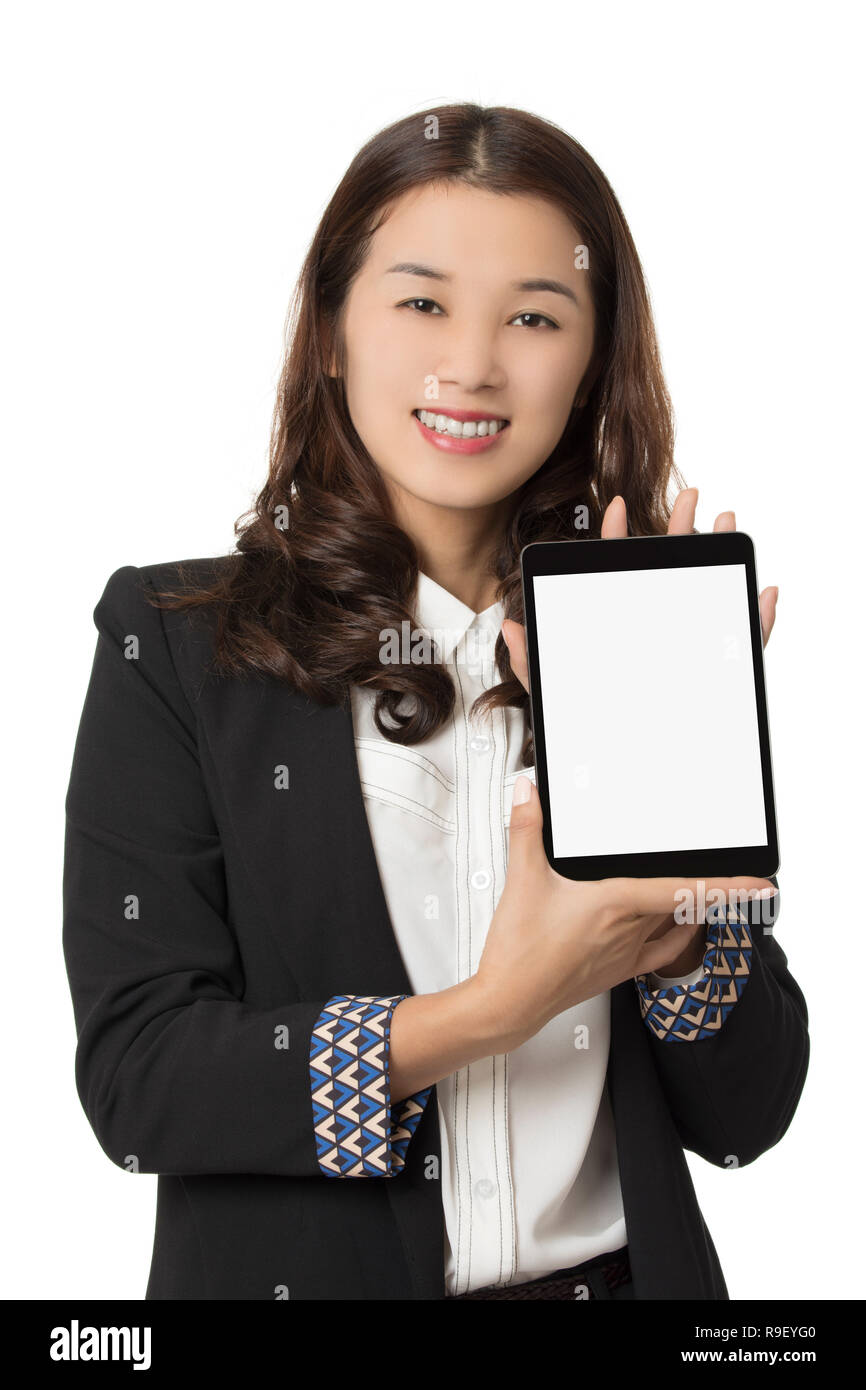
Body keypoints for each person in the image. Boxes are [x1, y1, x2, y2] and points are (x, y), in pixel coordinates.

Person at [62, 103, 808, 1301]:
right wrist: (485, 1012)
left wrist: (676, 949)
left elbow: (747, 1114)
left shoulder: (637, 645)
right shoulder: (176, 642)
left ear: (591, 356)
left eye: (532, 314)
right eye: (420, 302)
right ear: (329, 332)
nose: (471, 363)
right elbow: (142, 1080)